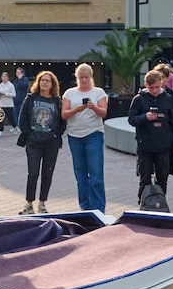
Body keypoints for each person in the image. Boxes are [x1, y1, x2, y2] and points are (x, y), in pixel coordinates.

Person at [16, 70, 65, 214]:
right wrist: (29, 134)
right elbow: (22, 119)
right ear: (38, 82)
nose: (44, 82)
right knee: (33, 173)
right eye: (42, 80)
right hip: (34, 142)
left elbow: (63, 121)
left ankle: (42, 203)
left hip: (51, 144)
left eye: (47, 80)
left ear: (52, 84)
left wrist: (56, 134)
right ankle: (29, 204)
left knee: (47, 174)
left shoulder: (57, 101)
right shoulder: (31, 98)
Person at [61, 63, 108, 212]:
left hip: (94, 134)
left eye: (86, 77)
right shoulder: (70, 93)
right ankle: (85, 207)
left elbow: (103, 113)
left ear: (91, 77)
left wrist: (94, 107)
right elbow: (64, 114)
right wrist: (77, 109)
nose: (84, 80)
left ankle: (98, 208)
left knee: (96, 173)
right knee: (80, 174)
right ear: (77, 78)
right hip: (74, 135)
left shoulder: (98, 92)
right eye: (81, 77)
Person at [127, 69, 173, 204]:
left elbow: (172, 121)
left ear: (161, 83)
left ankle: (160, 202)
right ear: (146, 85)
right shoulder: (139, 99)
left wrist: (171, 139)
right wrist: (145, 117)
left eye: (157, 87)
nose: (154, 90)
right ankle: (143, 202)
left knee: (163, 177)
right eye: (151, 88)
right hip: (145, 145)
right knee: (145, 177)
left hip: (163, 145)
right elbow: (131, 119)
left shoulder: (168, 99)